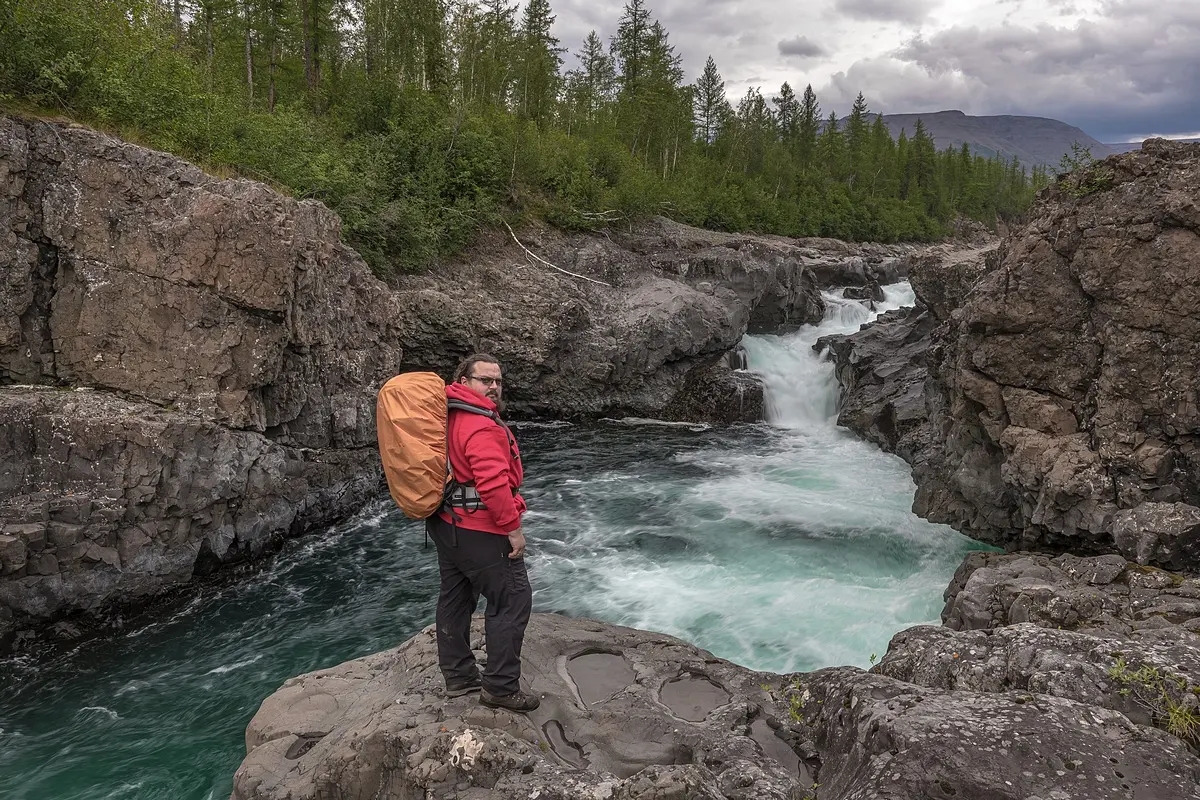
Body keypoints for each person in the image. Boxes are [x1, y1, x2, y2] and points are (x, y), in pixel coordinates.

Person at [428, 353, 539, 712]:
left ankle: (458, 676)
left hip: (447, 524)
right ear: (463, 380)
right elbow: (492, 485)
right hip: (480, 528)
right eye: (485, 380)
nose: (493, 386)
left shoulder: (448, 415)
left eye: (498, 381)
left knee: (456, 597)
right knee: (513, 599)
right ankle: (501, 688)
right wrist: (513, 530)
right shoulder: (482, 427)